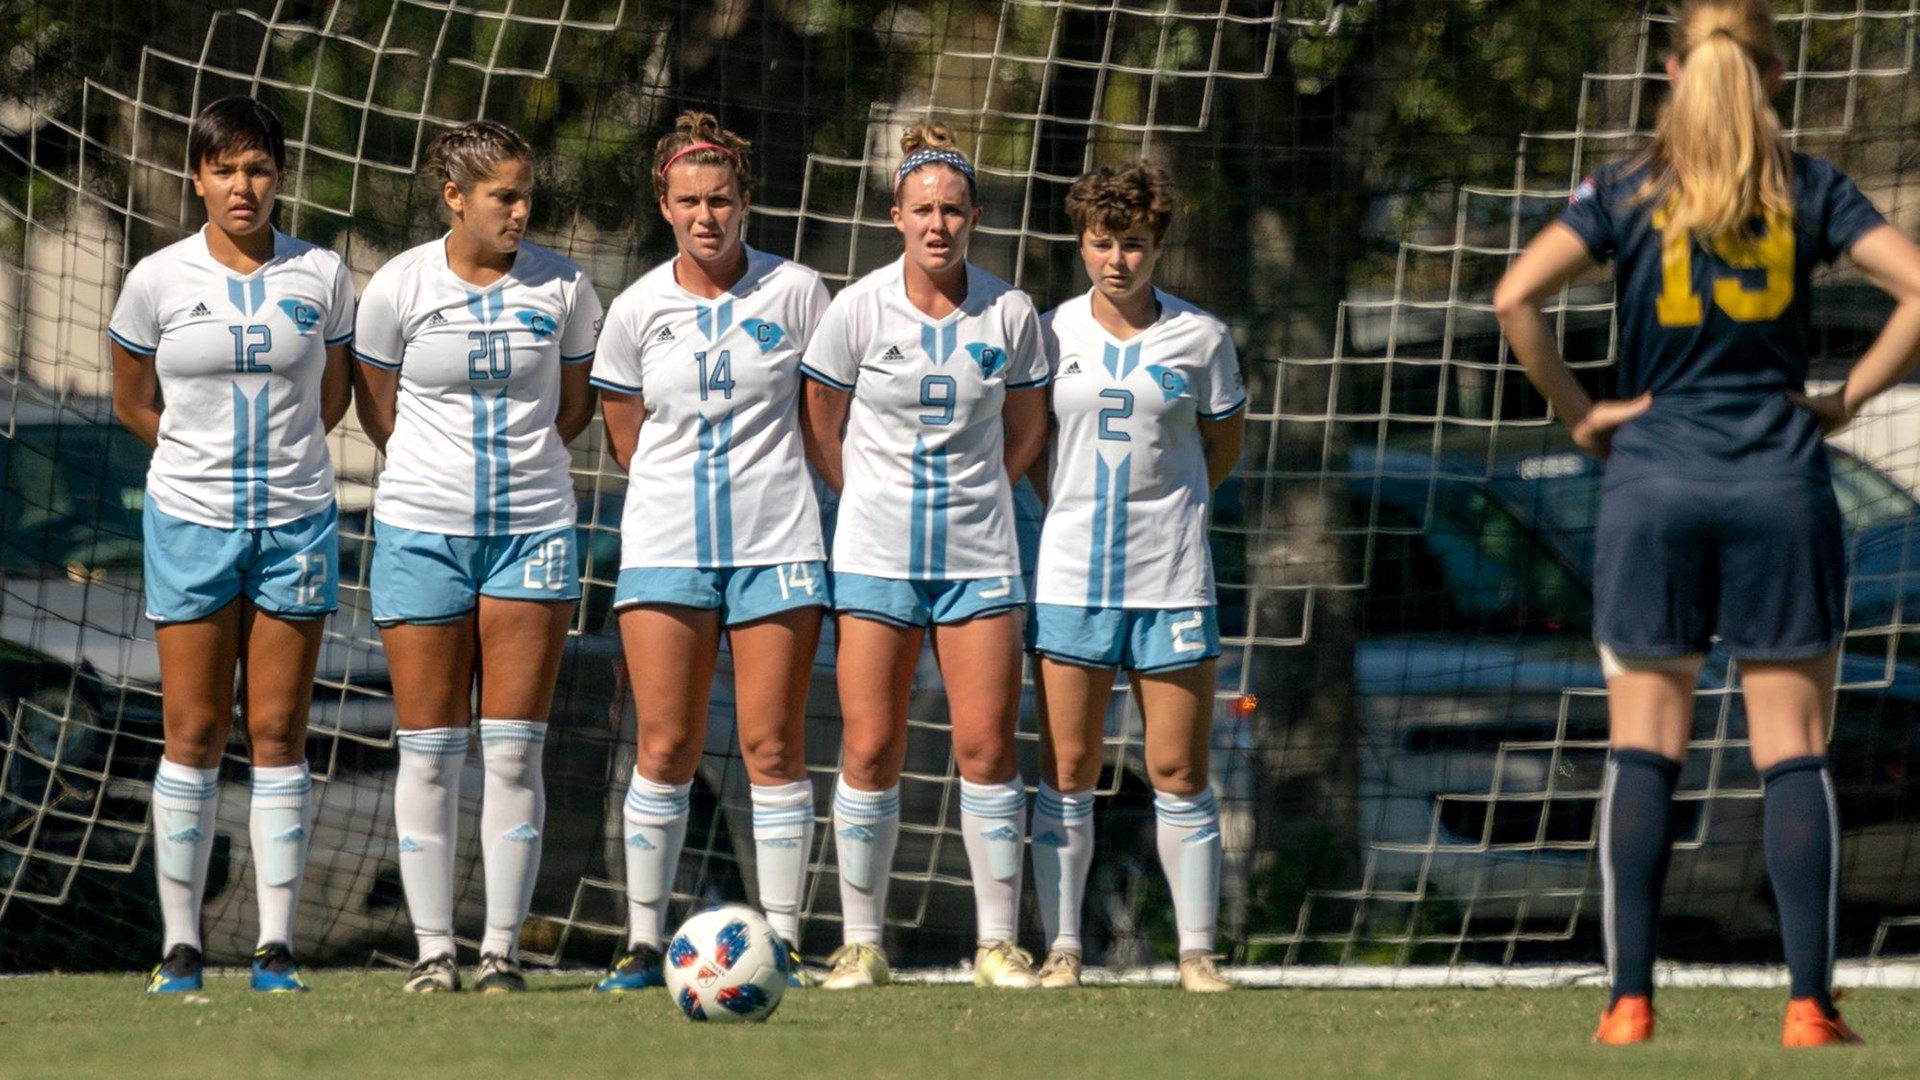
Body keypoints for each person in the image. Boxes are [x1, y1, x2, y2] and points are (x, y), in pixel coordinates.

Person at [1493, 0, 1920, 1047]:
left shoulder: (1628, 186)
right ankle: (1811, 1007)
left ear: (1674, 73)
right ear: (1775, 79)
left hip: (1654, 483)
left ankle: (1629, 1003)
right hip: (1778, 480)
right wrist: (1848, 398)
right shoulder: (1808, 186)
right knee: (1793, 752)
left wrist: (1582, 410)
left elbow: (1513, 298)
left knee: (1645, 747)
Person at [108, 96, 355, 994]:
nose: (242, 185)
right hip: (190, 521)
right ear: (198, 178)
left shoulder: (323, 273)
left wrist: (277, 472)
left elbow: (330, 400)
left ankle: (274, 947)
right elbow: (133, 399)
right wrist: (195, 462)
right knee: (194, 729)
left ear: (279, 176)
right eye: (225, 169)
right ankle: (181, 949)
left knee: (281, 728)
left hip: (296, 520)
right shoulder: (156, 278)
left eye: (257, 168)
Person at [352, 121, 604, 994]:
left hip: (533, 531)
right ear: (454, 197)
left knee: (512, 750)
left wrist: (517, 477)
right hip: (422, 531)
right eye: (505, 196)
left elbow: (572, 408)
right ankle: (432, 953)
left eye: (528, 193)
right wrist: (439, 480)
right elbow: (377, 411)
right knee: (428, 749)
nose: (522, 210)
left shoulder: (568, 287)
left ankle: (500, 952)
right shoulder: (397, 286)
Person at [799, 121, 1051, 990]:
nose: (937, 225)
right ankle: (861, 943)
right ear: (896, 217)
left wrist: (980, 491)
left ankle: (995, 945)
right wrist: (870, 498)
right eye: (922, 210)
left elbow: (1027, 429)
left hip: (981, 559)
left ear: (974, 216)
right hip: (874, 558)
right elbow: (821, 425)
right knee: (870, 746)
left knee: (986, 746)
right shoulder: (857, 309)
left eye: (952, 210)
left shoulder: (1010, 311)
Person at [587, 112, 831, 992]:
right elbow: (628, 440)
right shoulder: (635, 308)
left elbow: (822, 421)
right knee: (666, 745)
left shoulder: (801, 293)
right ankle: (644, 945)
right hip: (666, 545)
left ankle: (785, 942)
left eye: (721, 199)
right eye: (688, 201)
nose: (706, 216)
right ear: (664, 206)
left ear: (746, 202)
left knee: (772, 746)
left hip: (779, 544)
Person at [1026, 163, 1245, 992]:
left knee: (1179, 772)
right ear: (1083, 242)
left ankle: (1196, 954)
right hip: (1074, 576)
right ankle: (1063, 951)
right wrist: (1075, 508)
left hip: (1172, 580)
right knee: (1068, 770)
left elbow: (1222, 445)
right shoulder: (1047, 335)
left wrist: (1173, 510)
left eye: (1136, 245)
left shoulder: (1202, 338)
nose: (1119, 260)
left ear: (1159, 245)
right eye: (1104, 243)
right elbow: (1035, 450)